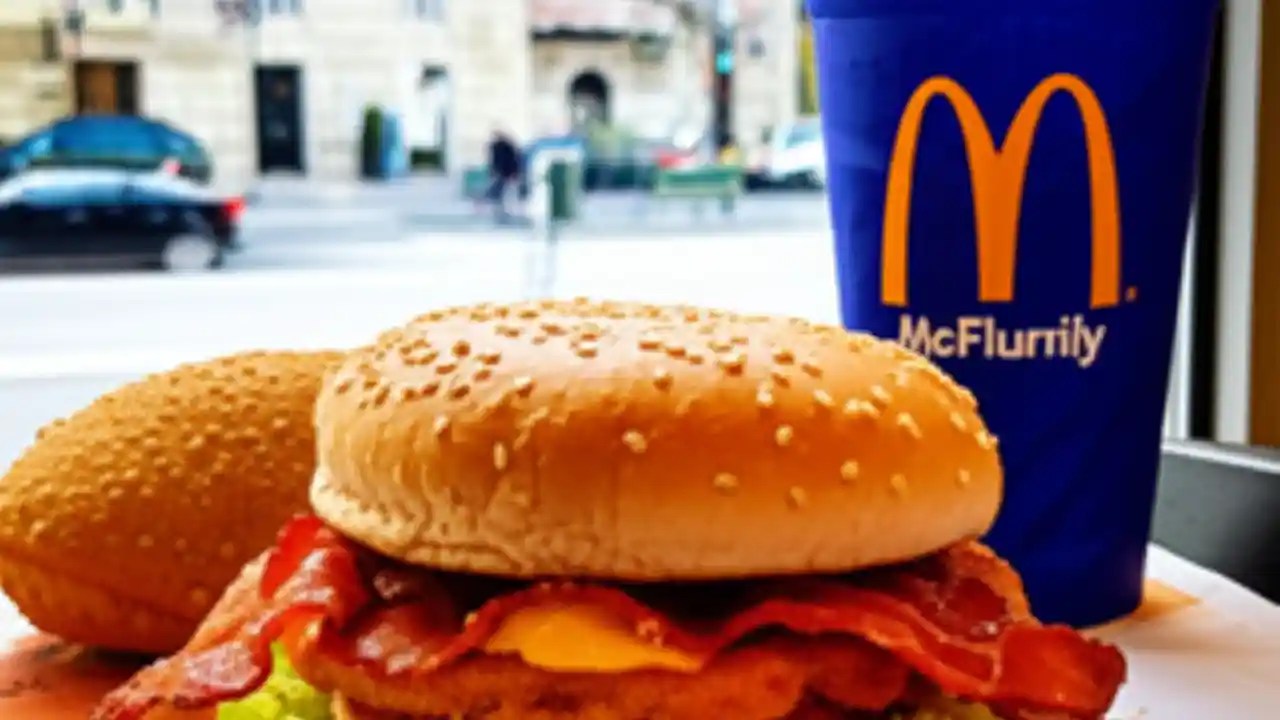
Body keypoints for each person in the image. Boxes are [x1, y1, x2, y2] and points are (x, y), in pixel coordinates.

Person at [486, 130, 521, 222]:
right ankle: (503, 210)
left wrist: (493, 171)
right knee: (503, 192)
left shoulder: (501, 147)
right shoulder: (506, 146)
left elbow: (494, 161)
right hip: (504, 172)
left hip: (503, 172)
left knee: (502, 192)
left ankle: (502, 210)